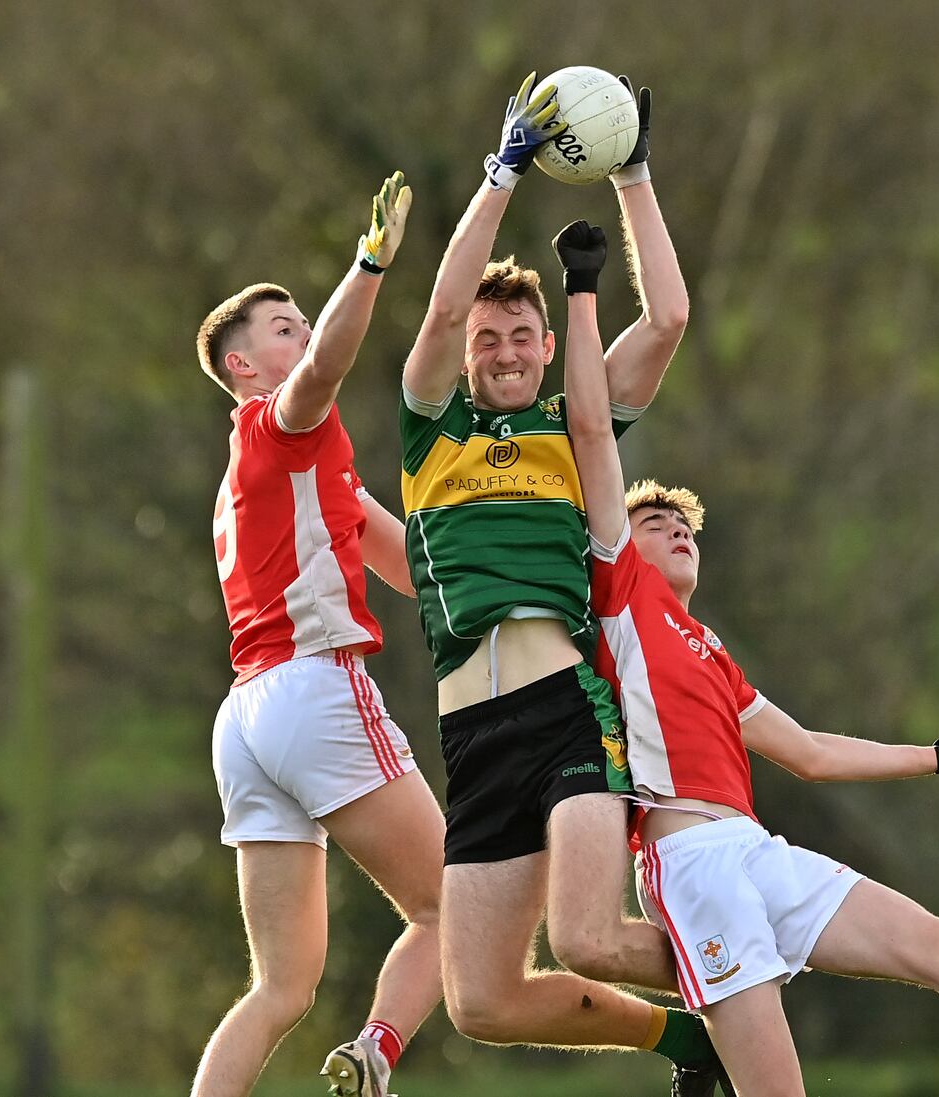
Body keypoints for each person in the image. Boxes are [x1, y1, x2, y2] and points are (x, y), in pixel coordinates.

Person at [552, 217, 939, 1097]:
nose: (675, 531)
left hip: (754, 848)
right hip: (687, 857)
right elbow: (589, 430)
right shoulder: (622, 590)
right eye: (657, 523)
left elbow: (807, 752)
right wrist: (582, 294)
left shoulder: (709, 648)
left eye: (685, 523)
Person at [397, 75, 727, 1092]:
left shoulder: (571, 428)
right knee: (483, 999)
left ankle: (772, 965)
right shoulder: (431, 429)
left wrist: (632, 172)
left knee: (585, 935)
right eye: (486, 340)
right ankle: (694, 1041)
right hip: (472, 736)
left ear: (548, 349)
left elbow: (667, 316)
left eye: (521, 338)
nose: (500, 349)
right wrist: (500, 173)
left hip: (568, 708)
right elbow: (447, 299)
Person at [191, 174, 446, 1097]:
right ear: (246, 369)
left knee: (280, 986)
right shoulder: (276, 426)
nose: (303, 329)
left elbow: (414, 570)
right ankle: (377, 1052)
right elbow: (328, 368)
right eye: (284, 326)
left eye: (302, 316)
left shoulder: (300, 465)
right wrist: (370, 262)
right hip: (310, 690)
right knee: (450, 903)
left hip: (249, 720)